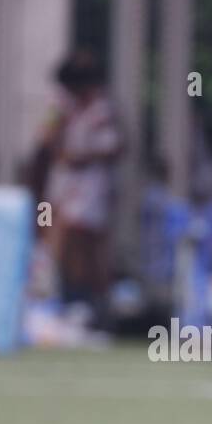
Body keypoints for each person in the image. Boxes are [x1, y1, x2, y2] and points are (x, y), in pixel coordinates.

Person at [40, 50, 122, 321]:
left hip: (91, 187)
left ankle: (93, 306)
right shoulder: (60, 104)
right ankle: (55, 300)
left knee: (86, 244)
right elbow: (48, 140)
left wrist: (81, 157)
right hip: (62, 183)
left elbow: (117, 147)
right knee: (54, 235)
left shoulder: (103, 108)